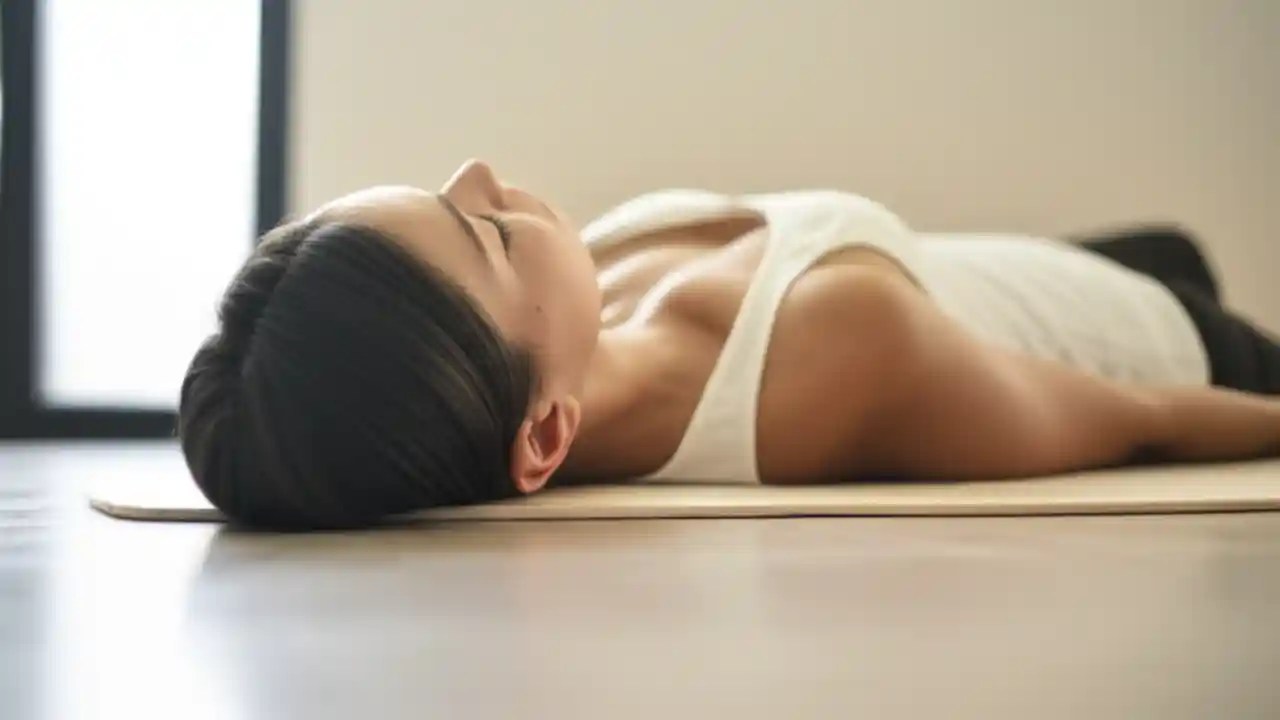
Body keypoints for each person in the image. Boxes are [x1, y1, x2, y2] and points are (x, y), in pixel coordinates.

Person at [177, 159, 1280, 529]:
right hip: (1172, 344)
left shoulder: (548, 346)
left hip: (1027, 264)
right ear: (544, 434)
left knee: (1165, 239)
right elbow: (1146, 423)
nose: (478, 170)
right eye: (488, 234)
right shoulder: (840, 358)